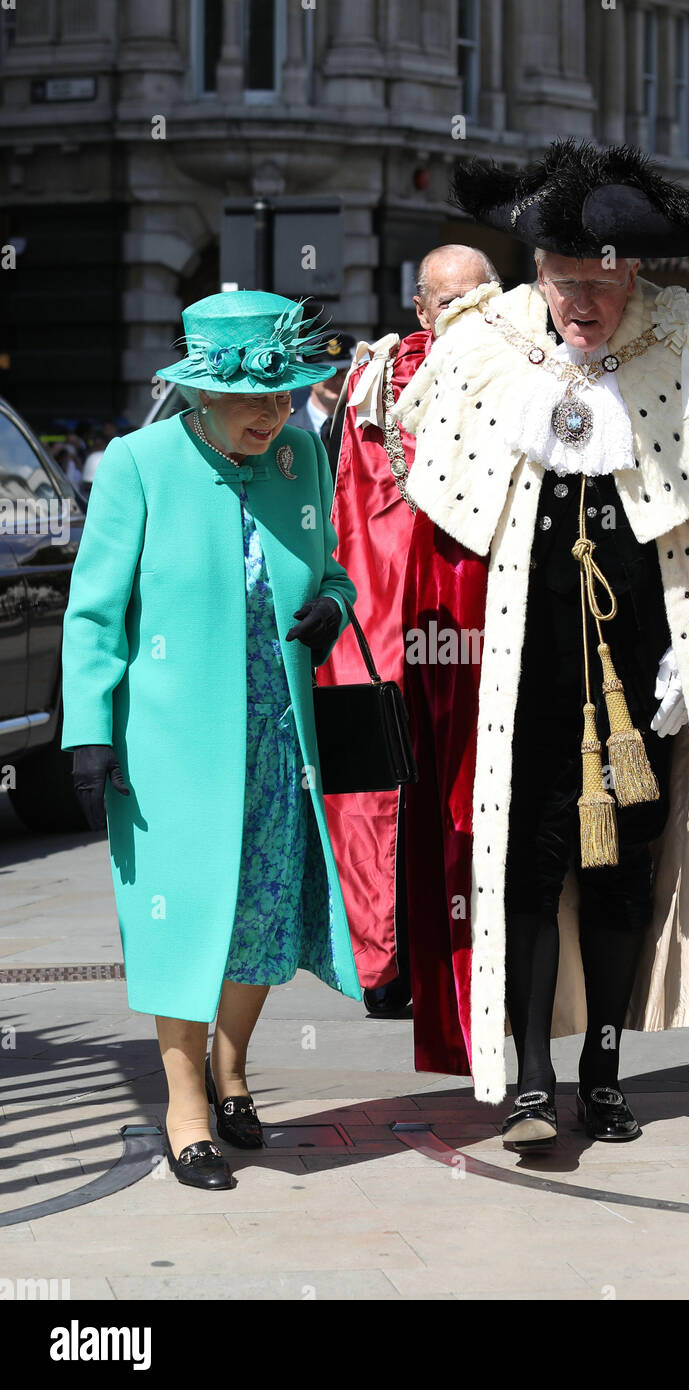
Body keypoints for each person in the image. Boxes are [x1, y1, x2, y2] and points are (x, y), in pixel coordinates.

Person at [393, 140, 689, 1146]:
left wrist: (685, 671)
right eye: (565, 281)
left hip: (642, 676)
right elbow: (441, 539)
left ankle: (601, 1070)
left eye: (601, 282)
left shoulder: (685, 344)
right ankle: (528, 1075)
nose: (582, 302)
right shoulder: (481, 344)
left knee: (620, 874)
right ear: (536, 272)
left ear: (633, 272)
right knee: (523, 861)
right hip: (519, 674)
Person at [62, 290, 360, 1189]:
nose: (279, 415)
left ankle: (232, 1066)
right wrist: (88, 733)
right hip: (170, 748)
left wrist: (331, 609)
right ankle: (185, 1103)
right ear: (202, 393)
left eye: (290, 397)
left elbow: (335, 568)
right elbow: (94, 613)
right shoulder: (139, 463)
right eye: (260, 402)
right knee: (184, 920)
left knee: (263, 916)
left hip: (277, 733)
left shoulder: (301, 453)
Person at [318, 244, 500, 1018]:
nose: (459, 320)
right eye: (448, 305)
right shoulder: (381, 382)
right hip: (420, 619)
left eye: (473, 302)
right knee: (438, 784)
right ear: (421, 310)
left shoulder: (375, 381)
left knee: (405, 791)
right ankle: (415, 959)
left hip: (393, 624)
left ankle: (394, 963)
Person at [288, 331, 357, 473]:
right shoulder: (287, 426)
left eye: (343, 372)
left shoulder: (359, 426)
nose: (338, 380)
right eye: (329, 374)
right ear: (310, 376)